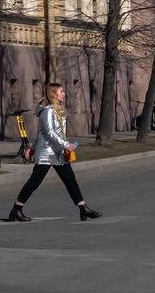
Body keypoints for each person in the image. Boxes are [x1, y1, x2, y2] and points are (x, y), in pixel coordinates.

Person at [7, 83, 101, 223]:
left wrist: (34, 148)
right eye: (61, 91)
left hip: (58, 153)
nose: (64, 94)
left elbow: (45, 134)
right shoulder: (48, 111)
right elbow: (49, 133)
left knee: (70, 180)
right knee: (34, 182)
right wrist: (65, 144)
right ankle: (16, 209)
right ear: (54, 94)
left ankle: (83, 209)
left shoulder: (58, 111)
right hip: (46, 154)